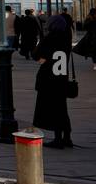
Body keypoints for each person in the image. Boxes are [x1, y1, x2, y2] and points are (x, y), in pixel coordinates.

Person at [32, 13, 74, 148]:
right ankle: (67, 137)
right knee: (62, 108)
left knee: (52, 108)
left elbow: (36, 55)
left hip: (49, 78)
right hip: (62, 77)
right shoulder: (66, 38)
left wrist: (43, 61)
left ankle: (57, 139)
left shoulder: (50, 38)